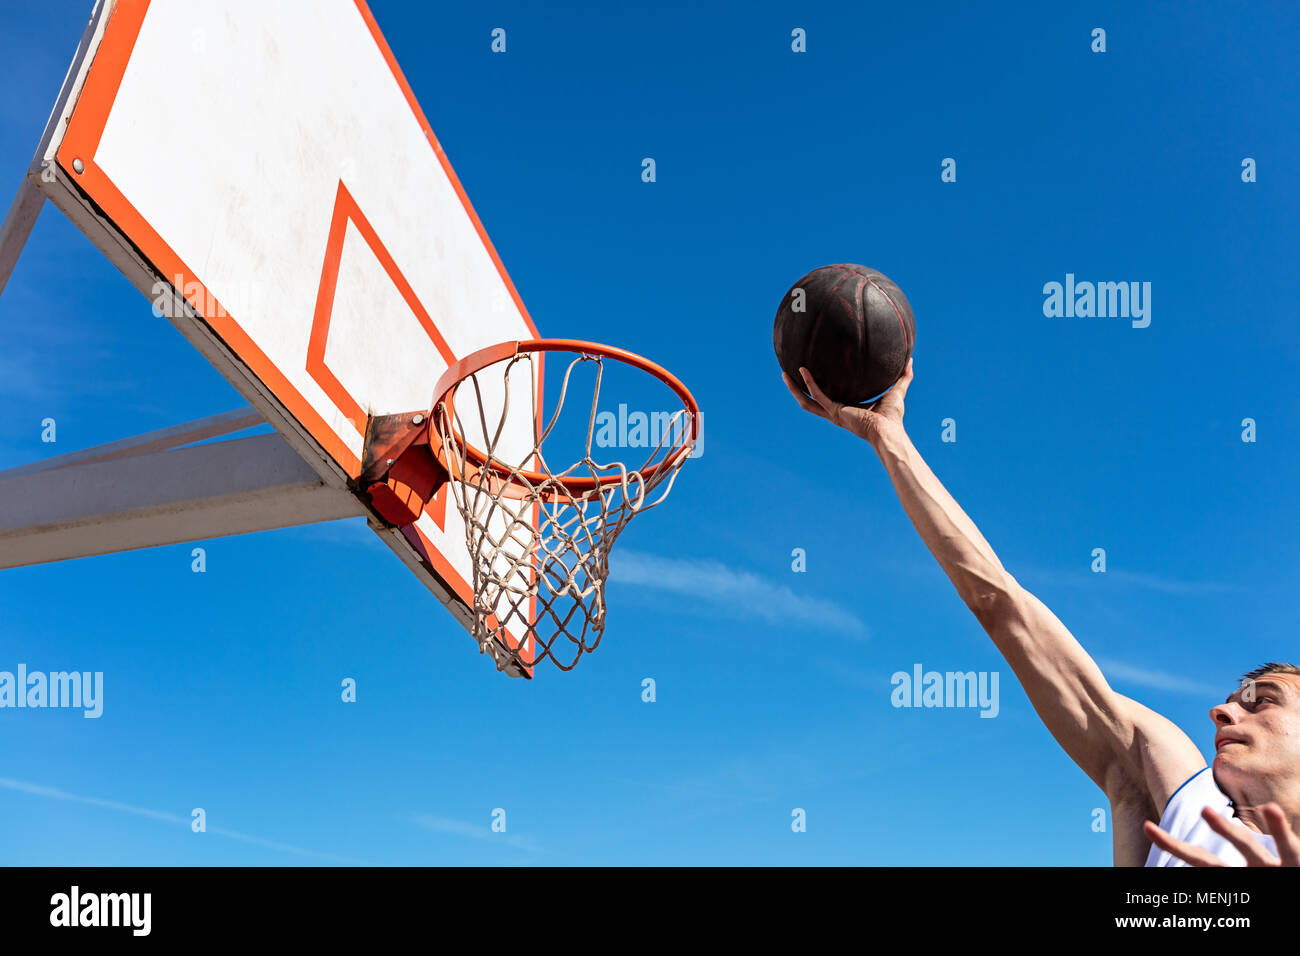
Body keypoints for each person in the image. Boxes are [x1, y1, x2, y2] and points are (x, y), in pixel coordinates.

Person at [784, 360, 1299, 867]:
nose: (1224, 711)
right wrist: (887, 437)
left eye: (1263, 702)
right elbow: (1001, 605)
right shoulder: (1188, 807)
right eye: (1234, 701)